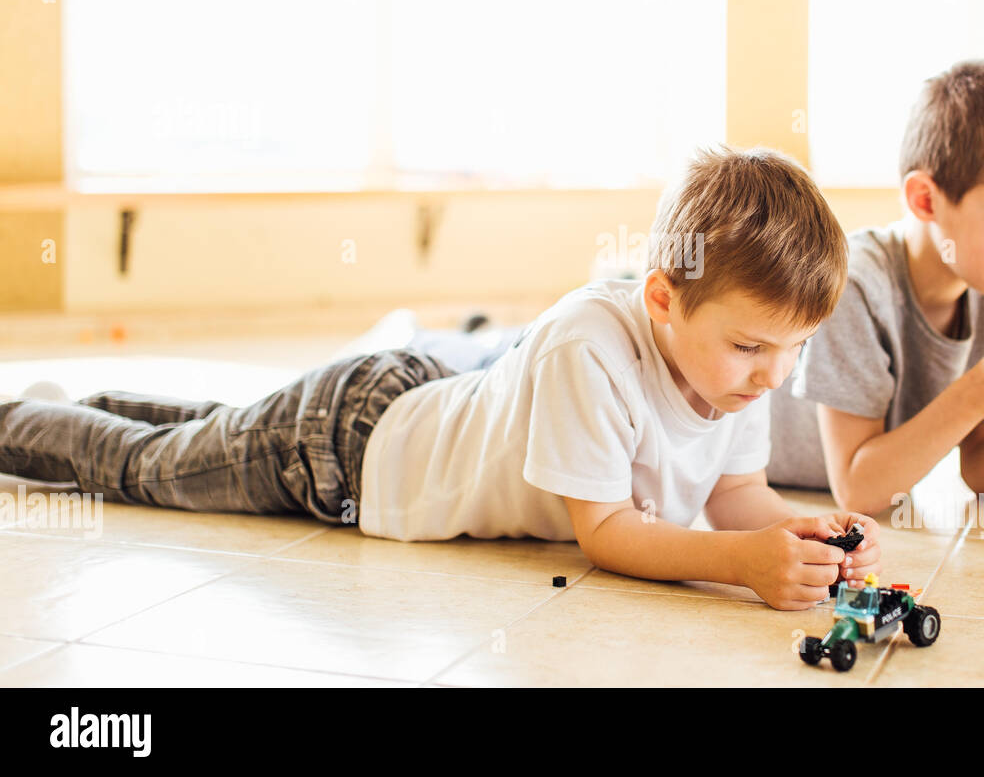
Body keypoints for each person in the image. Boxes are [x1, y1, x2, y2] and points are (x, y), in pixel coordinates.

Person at [0, 147, 877, 611]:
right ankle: (18, 421)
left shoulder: (737, 375)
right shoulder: (592, 346)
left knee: (199, 435)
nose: (775, 375)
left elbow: (737, 499)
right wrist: (742, 568)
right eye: (753, 348)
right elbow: (607, 534)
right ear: (663, 299)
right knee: (152, 472)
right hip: (346, 452)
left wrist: (805, 537)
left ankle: (74, 412)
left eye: (794, 349)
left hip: (406, 397)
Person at [767, 59, 984, 512]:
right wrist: (974, 393)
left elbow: (981, 472)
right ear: (925, 199)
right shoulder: (857, 287)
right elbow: (859, 491)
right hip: (767, 475)